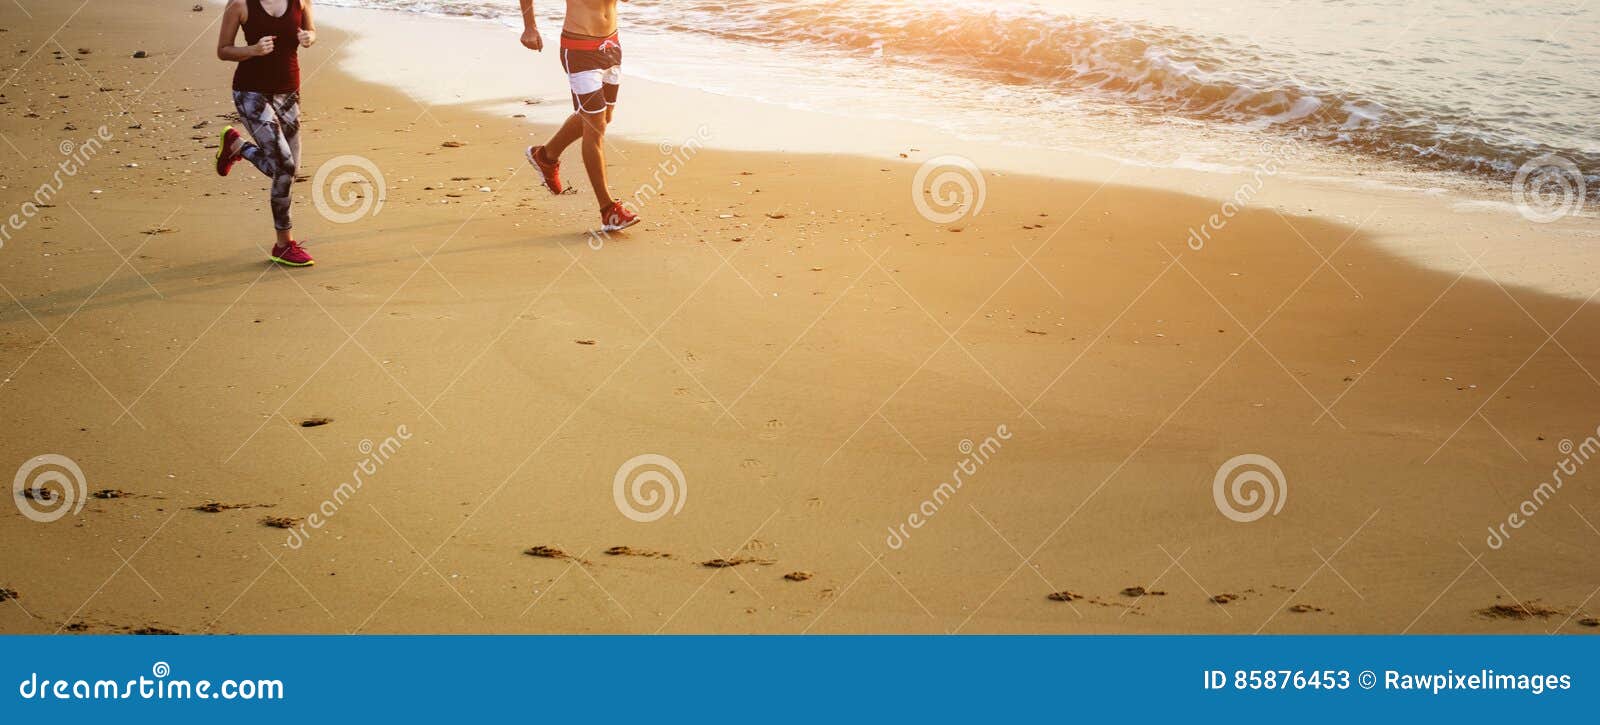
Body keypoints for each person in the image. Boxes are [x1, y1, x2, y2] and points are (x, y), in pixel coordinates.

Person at [519, 0, 641, 233]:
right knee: (595, 127)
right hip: (579, 50)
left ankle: (545, 155)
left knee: (603, 117)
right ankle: (608, 211)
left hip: (610, 45)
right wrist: (530, 27)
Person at [213, 0, 318, 267]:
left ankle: (238, 147)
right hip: (251, 93)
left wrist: (309, 38)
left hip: (288, 92)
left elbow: (312, 31)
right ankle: (284, 245)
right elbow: (223, 50)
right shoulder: (240, 4)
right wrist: (252, 50)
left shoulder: (301, 1)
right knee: (284, 167)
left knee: (288, 170)